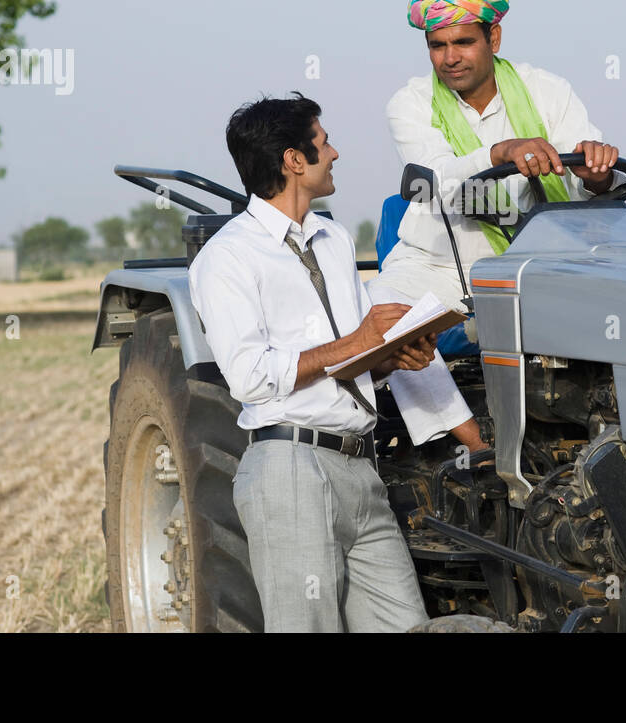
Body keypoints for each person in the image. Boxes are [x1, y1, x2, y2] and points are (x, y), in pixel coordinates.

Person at [188, 93, 440, 633]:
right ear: (293, 160)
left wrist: (391, 356)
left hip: (361, 468)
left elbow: (344, 361)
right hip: (292, 468)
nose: (336, 153)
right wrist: (359, 341)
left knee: (408, 626)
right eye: (324, 142)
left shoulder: (333, 239)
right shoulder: (227, 257)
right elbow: (250, 376)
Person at [368, 0, 624, 451]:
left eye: (463, 42)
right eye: (438, 45)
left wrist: (596, 174)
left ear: (494, 38)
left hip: (537, 261)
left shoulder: (548, 90)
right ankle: (476, 444)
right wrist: (500, 152)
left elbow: (588, 186)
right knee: (381, 315)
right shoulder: (410, 103)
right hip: (439, 266)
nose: (450, 57)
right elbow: (435, 179)